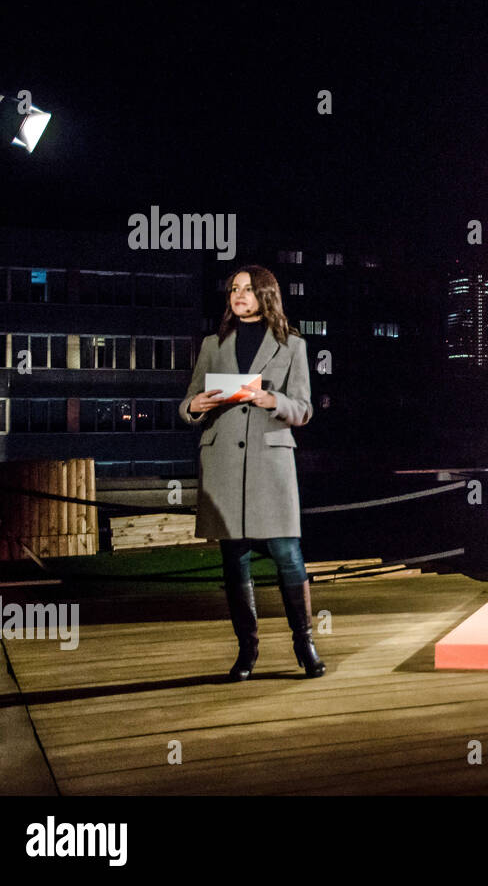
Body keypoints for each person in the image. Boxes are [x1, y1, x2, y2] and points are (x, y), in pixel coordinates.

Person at [179, 265, 325, 680]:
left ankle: (305, 643)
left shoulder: (292, 345)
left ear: (266, 294)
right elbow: (187, 401)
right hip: (223, 463)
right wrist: (195, 406)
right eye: (233, 290)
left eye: (247, 289)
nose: (238, 295)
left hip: (271, 462)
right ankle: (247, 651)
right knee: (234, 560)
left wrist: (271, 400)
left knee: (288, 555)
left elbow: (304, 408)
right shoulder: (212, 343)